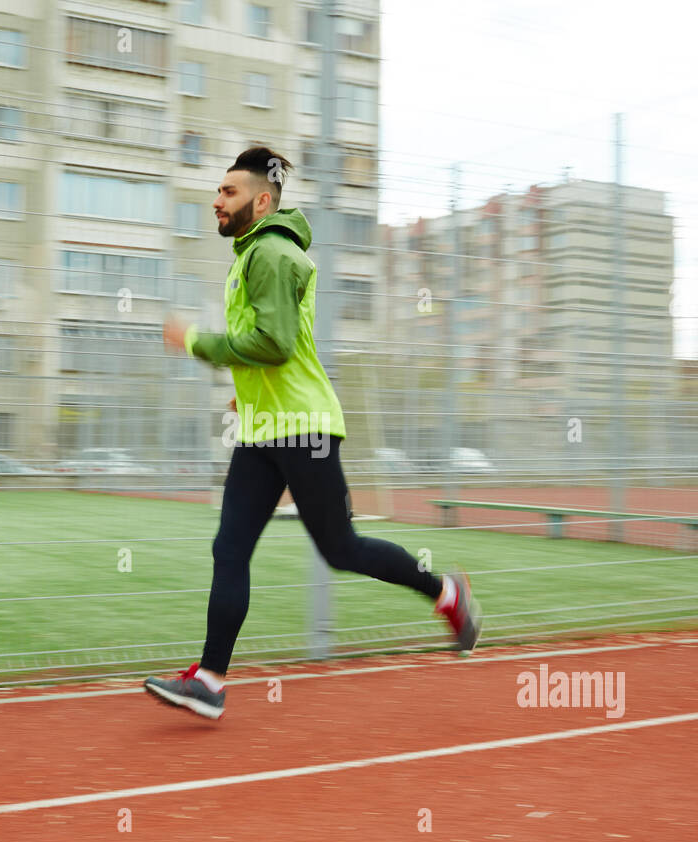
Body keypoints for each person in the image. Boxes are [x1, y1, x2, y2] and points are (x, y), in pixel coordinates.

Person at [145, 147, 480, 720]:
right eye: (218, 192)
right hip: (262, 428)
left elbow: (273, 343)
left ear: (262, 199)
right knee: (230, 548)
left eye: (228, 192)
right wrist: (245, 389)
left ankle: (446, 593)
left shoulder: (271, 253)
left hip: (303, 430)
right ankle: (209, 680)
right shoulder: (255, 253)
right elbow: (273, 344)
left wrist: (197, 341)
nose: (216, 200)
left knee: (340, 549)